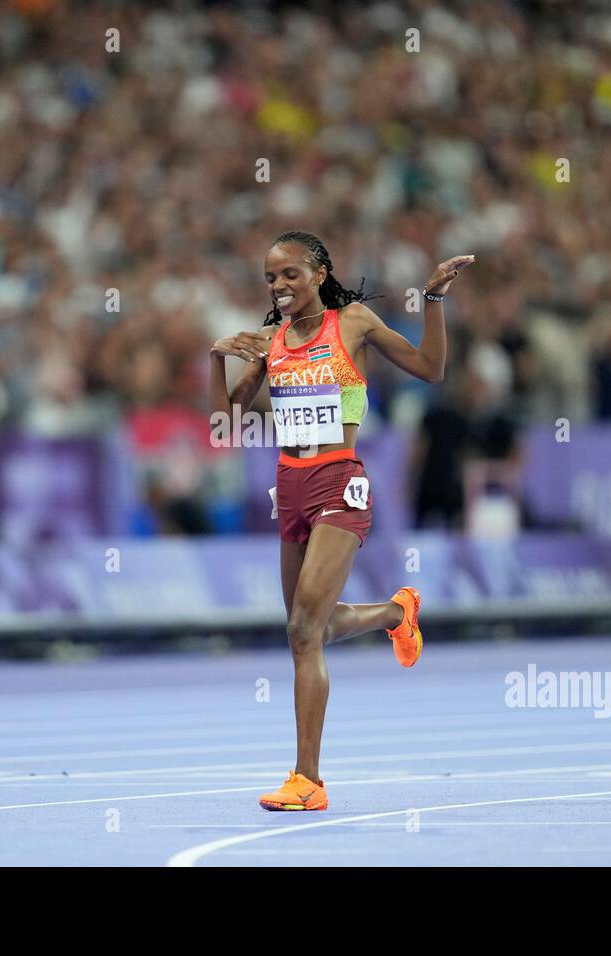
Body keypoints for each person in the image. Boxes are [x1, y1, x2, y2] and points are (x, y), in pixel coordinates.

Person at [209, 229, 473, 810]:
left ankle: (308, 780)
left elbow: (430, 370)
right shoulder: (271, 339)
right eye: (270, 278)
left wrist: (430, 303)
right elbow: (224, 423)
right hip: (289, 486)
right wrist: (218, 360)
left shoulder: (351, 323)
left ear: (319, 274)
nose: (278, 286)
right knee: (309, 629)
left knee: (305, 629)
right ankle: (394, 612)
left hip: (337, 482)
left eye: (289, 274)